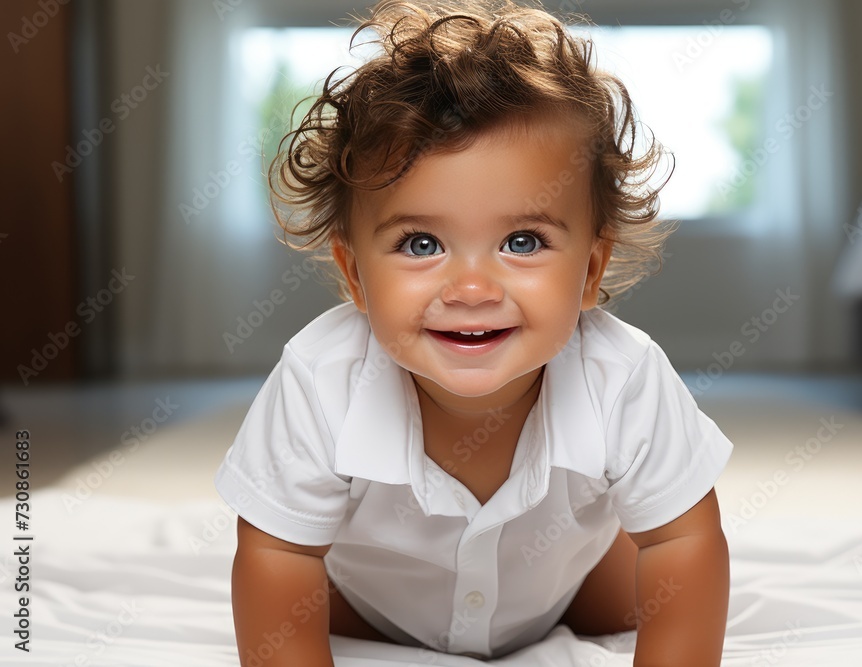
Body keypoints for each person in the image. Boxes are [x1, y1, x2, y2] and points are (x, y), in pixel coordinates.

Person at [214, 1, 734, 664]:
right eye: (420, 242)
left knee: (646, 580)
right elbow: (277, 551)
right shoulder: (321, 378)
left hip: (568, 584)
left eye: (522, 241)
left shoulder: (623, 373)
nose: (471, 288)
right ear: (353, 273)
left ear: (589, 269)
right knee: (297, 588)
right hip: (370, 604)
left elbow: (683, 539)